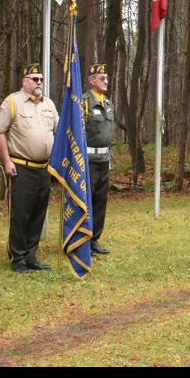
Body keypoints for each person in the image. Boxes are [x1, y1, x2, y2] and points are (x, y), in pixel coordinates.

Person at [0, 62, 58, 273]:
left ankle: (31, 255)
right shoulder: (12, 102)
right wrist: (7, 161)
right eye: (34, 79)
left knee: (39, 213)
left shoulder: (48, 104)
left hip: (44, 168)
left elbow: (58, 129)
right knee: (21, 214)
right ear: (24, 82)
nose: (39, 82)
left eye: (41, 79)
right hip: (21, 167)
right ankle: (17, 258)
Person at [82, 62, 114, 255]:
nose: (106, 81)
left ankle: (94, 240)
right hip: (88, 161)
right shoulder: (84, 102)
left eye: (107, 78)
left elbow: (110, 133)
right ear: (92, 81)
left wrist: (111, 155)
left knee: (101, 201)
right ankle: (82, 240)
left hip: (104, 160)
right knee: (87, 202)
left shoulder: (108, 103)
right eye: (102, 78)